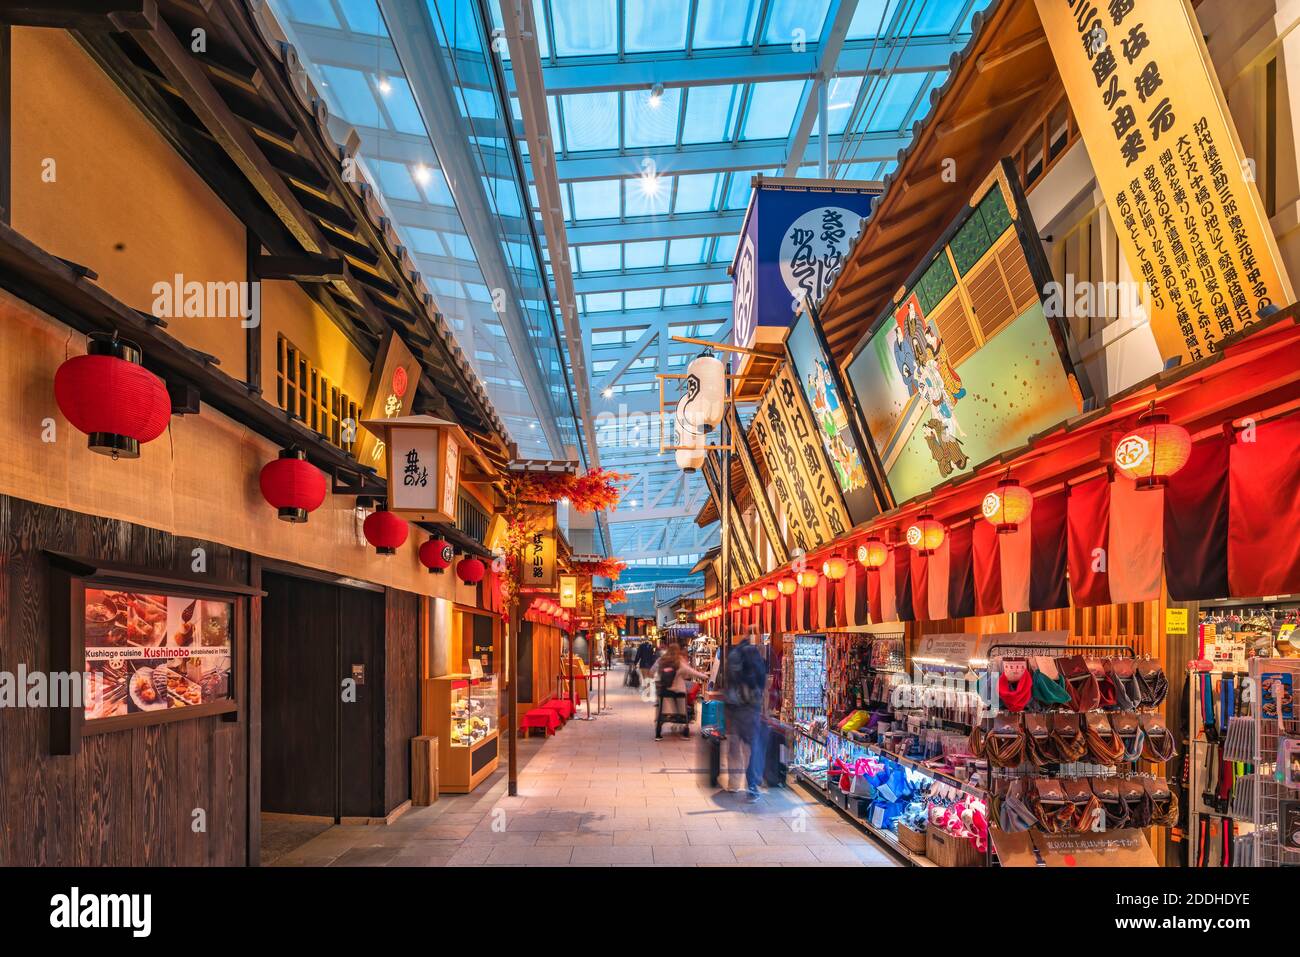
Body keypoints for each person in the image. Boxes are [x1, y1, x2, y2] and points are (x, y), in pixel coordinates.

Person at [724, 626, 769, 801]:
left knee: (734, 746)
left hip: (733, 706)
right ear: (754, 635)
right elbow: (760, 679)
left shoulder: (733, 654)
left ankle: (733, 783)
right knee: (752, 747)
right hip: (750, 707)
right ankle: (751, 785)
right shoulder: (753, 653)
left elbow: (727, 679)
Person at [653, 642, 707, 740]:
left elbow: (652, 670)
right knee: (683, 711)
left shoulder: (662, 660)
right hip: (679, 691)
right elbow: (691, 671)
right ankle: (685, 732)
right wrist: (704, 676)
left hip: (665, 691)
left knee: (661, 711)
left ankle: (658, 734)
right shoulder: (679, 661)